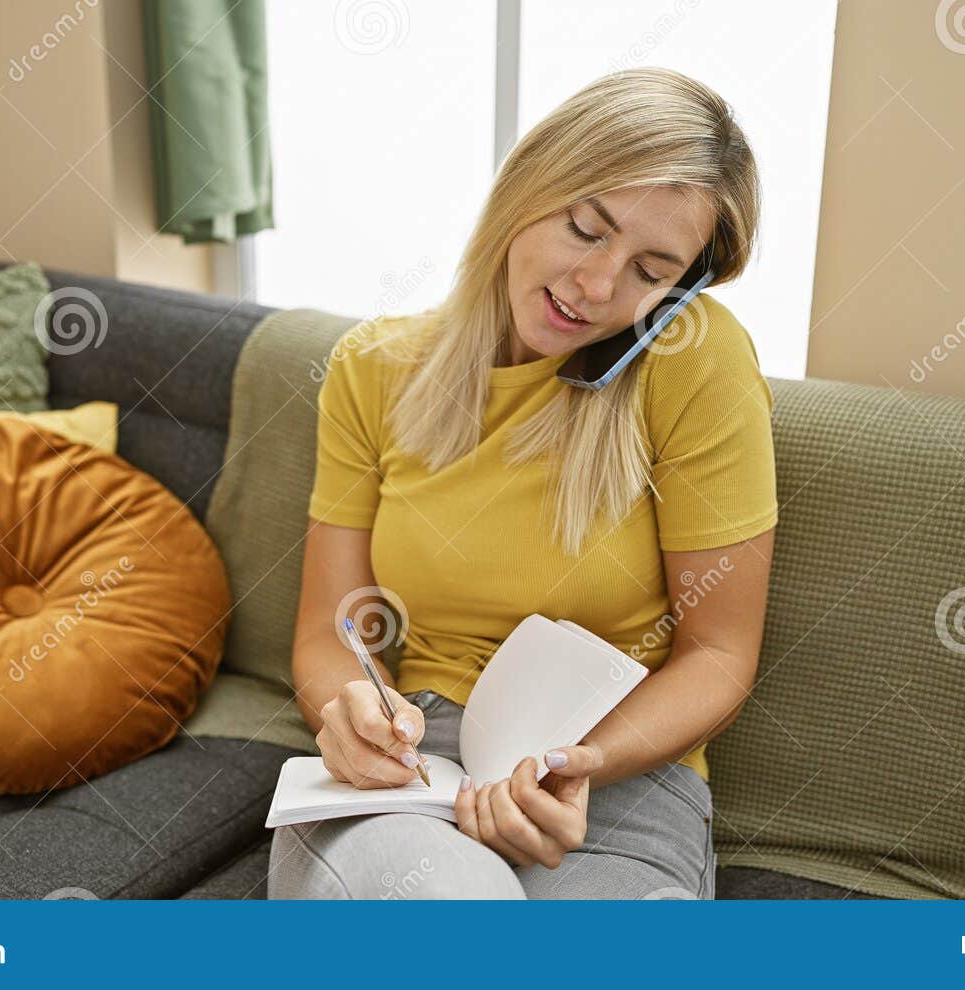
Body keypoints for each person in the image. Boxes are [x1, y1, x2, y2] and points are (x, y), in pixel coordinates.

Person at [268, 67, 777, 899]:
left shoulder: (692, 360)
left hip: (616, 777)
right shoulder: (373, 369)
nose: (598, 287)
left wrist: (583, 761)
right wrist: (351, 710)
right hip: (416, 760)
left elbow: (719, 654)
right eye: (585, 228)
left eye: (651, 270)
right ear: (526, 188)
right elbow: (333, 634)